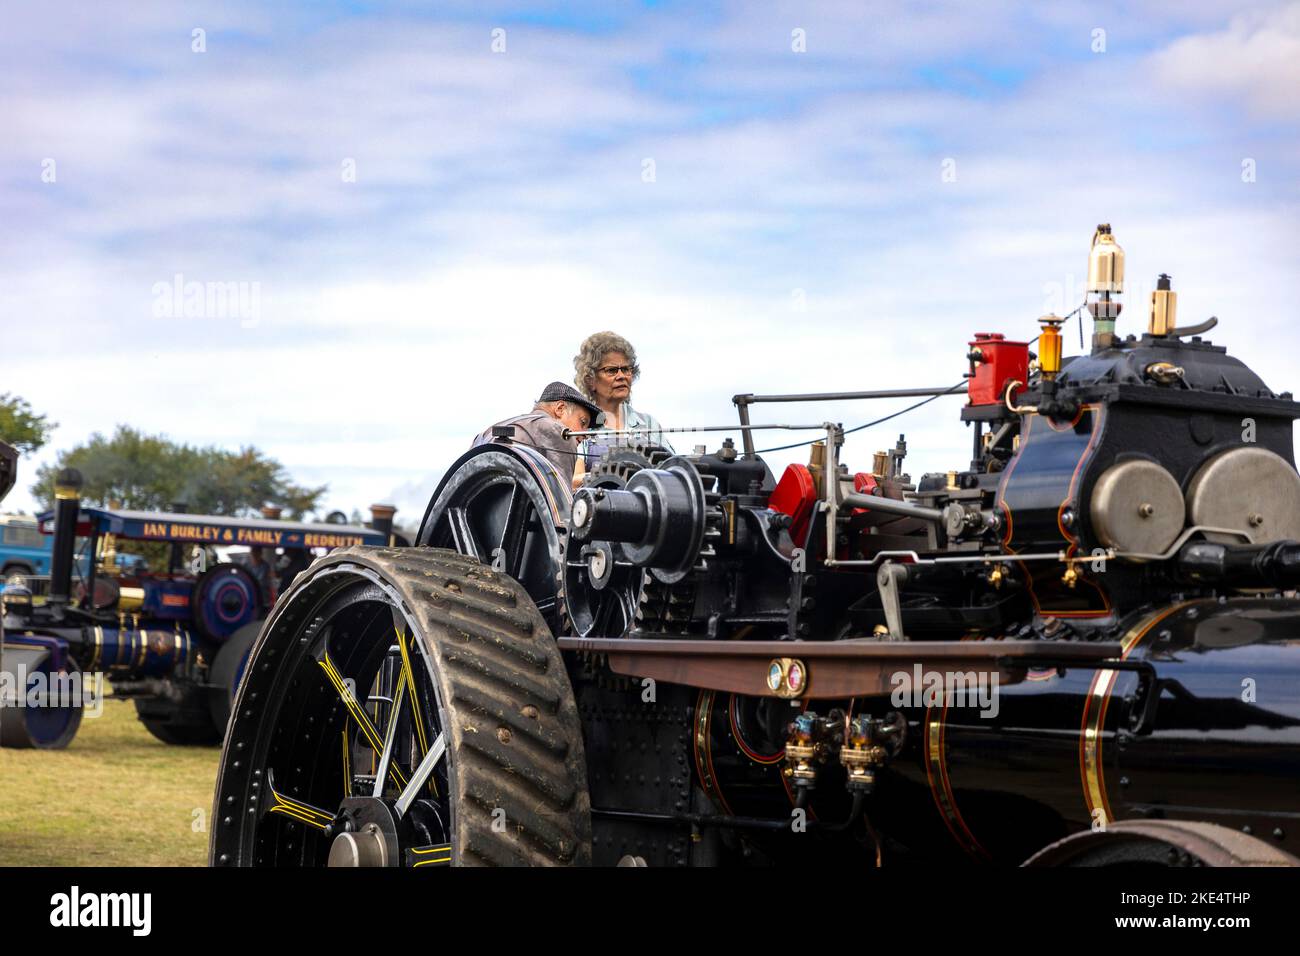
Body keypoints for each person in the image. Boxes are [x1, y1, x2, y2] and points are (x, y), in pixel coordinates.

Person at [572, 332, 672, 468]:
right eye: (611, 370)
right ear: (590, 380)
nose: (621, 376)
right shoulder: (581, 427)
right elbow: (570, 480)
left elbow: (670, 469)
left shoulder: (648, 424)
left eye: (626, 369)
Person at [475, 382, 603, 486]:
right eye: (583, 422)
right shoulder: (559, 433)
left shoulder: (484, 434)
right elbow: (561, 504)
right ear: (560, 409)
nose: (585, 435)